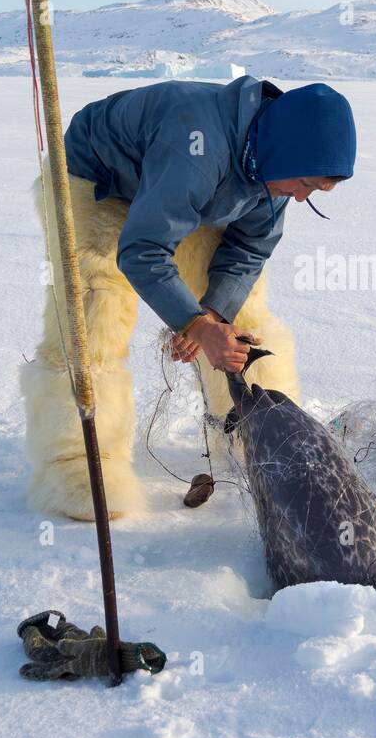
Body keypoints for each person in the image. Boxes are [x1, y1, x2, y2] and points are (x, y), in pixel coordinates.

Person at [21, 75, 356, 520]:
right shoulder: (198, 147)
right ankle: (76, 464)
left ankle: (259, 435)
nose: (300, 197)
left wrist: (212, 316)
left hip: (196, 193)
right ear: (283, 152)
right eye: (303, 183)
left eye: (314, 192)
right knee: (96, 311)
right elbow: (142, 250)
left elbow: (249, 250)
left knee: (244, 319)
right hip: (98, 181)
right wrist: (194, 325)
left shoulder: (276, 170)